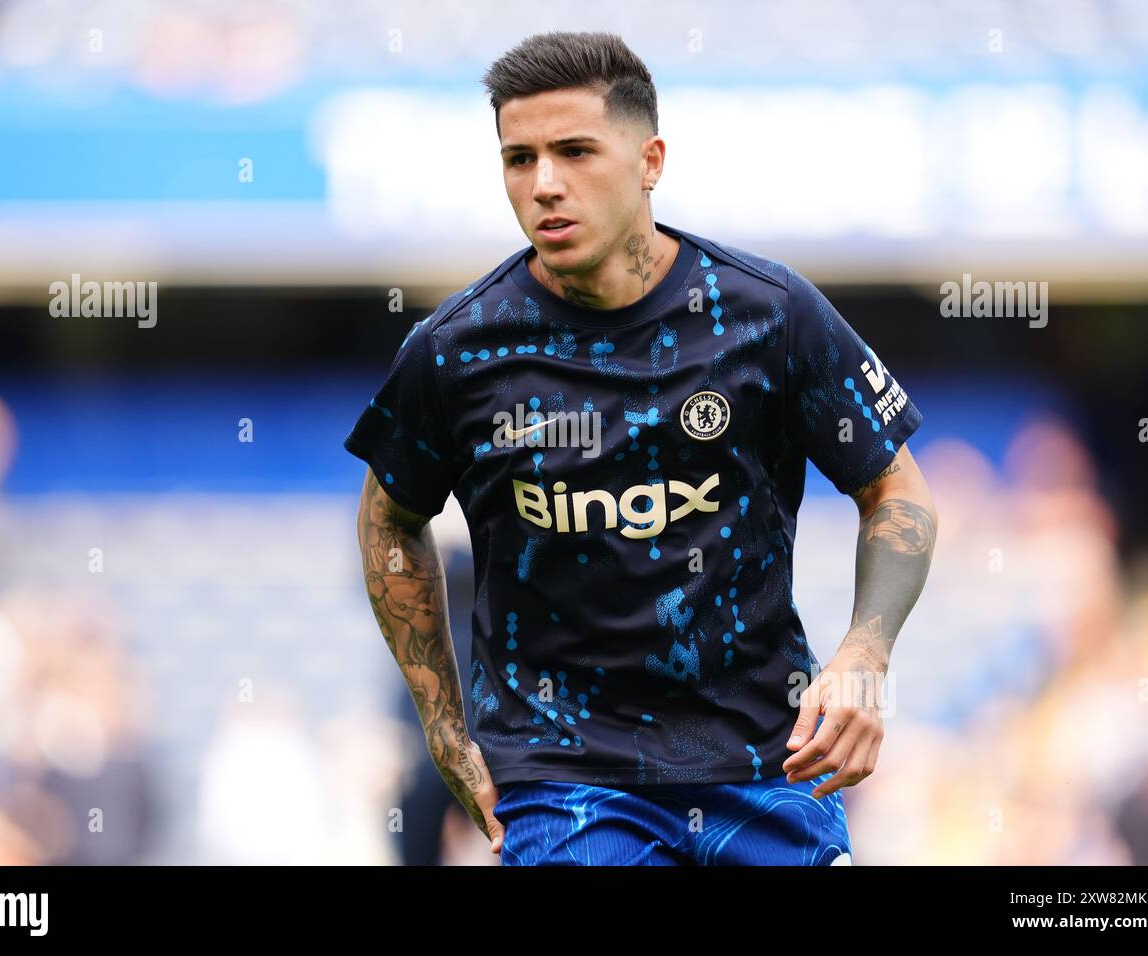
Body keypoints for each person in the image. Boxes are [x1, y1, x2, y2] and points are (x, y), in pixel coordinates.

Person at [345, 31, 938, 865]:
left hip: (768, 764)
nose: (545, 183)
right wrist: (442, 725)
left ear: (650, 159)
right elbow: (388, 523)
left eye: (575, 151)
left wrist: (863, 656)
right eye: (519, 159)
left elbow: (897, 493)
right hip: (565, 783)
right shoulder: (455, 353)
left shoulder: (769, 316)